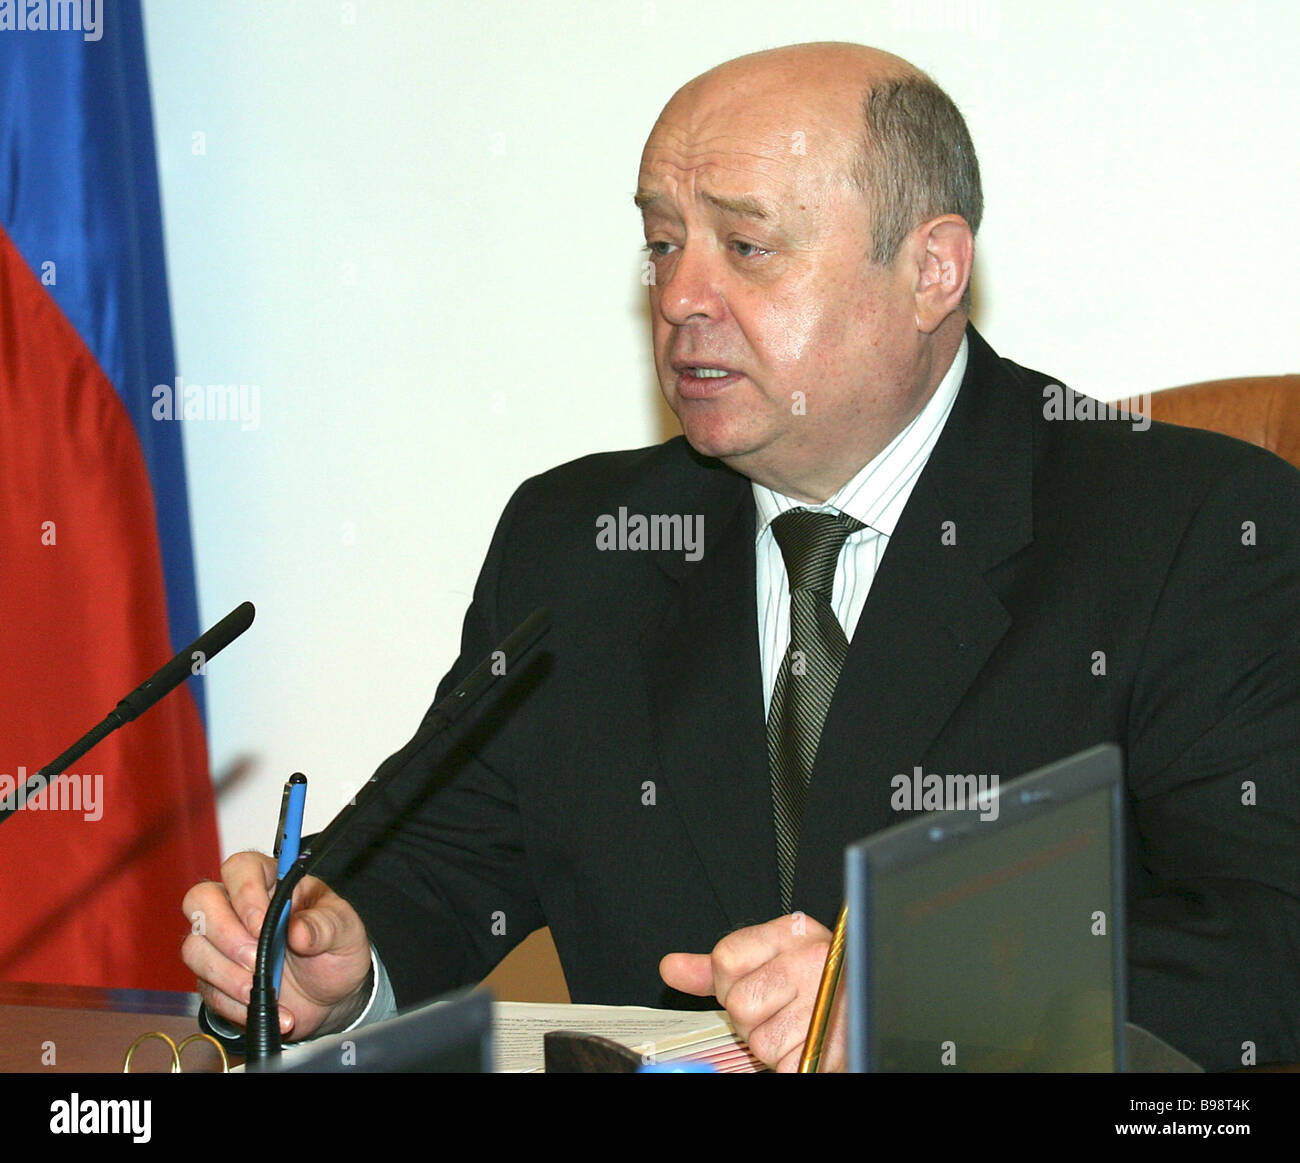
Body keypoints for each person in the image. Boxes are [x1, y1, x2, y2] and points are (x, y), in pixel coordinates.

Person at [182, 42, 1300, 1072]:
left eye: (746, 246)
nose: (678, 298)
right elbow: (442, 859)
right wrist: (335, 956)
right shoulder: (582, 544)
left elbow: (1270, 932)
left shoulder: (1191, 531)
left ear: (931, 272)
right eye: (663, 243)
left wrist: (938, 999)